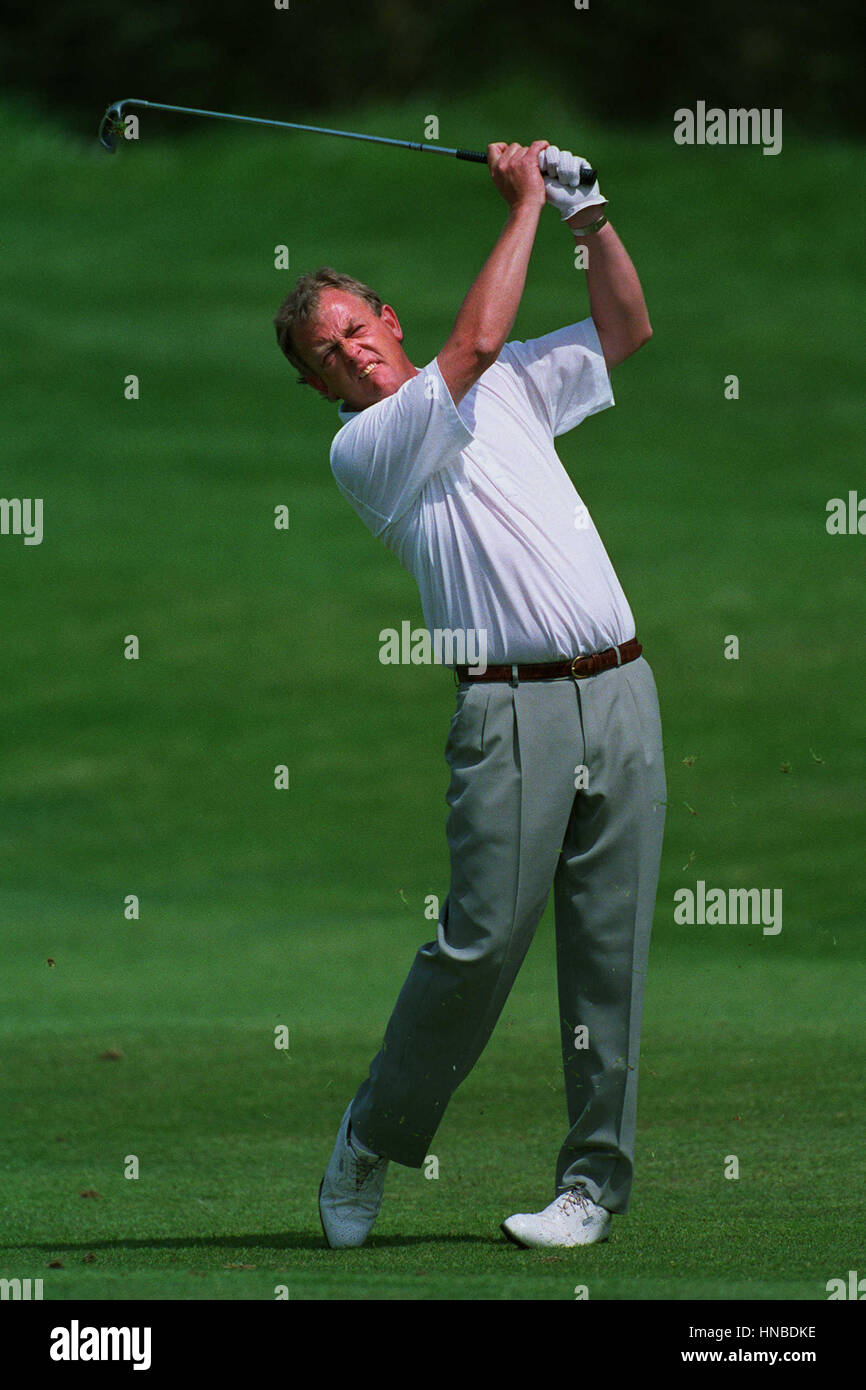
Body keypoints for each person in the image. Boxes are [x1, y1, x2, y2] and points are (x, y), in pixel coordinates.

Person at [273, 139, 666, 1250]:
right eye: (327, 354)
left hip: (621, 689)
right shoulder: (369, 446)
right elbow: (478, 335)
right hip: (510, 712)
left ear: (386, 319)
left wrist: (588, 217)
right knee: (481, 942)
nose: (351, 356)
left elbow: (625, 328)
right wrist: (528, 201)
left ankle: (589, 1186)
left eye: (357, 330)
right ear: (318, 387)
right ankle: (370, 1135)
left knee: (609, 947)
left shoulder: (508, 393)